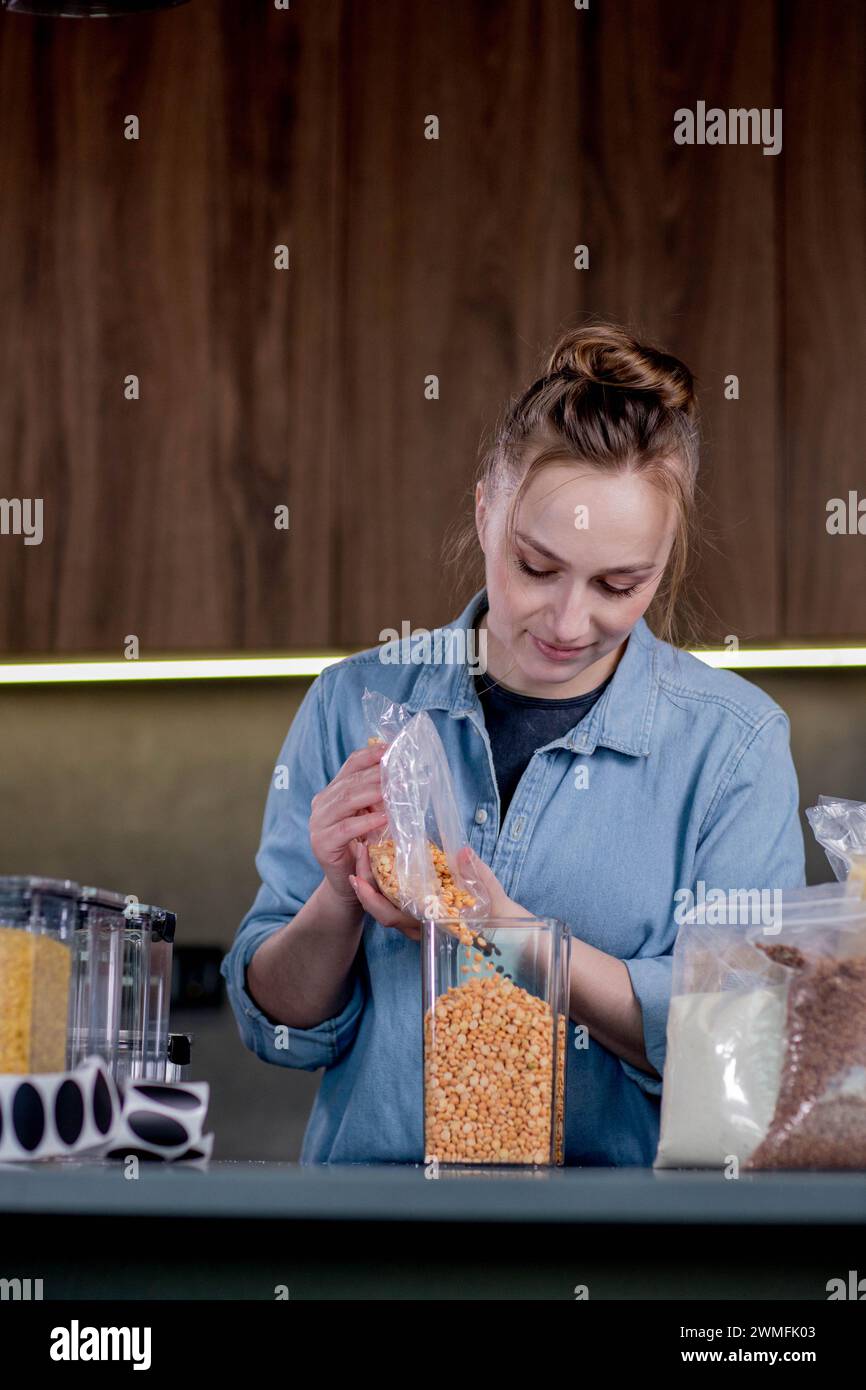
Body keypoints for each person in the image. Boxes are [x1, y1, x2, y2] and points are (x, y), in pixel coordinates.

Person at [220, 321, 806, 1164]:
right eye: (537, 567)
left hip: (619, 1249)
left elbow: (747, 1052)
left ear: (666, 558)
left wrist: (518, 940)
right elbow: (278, 1026)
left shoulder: (732, 746)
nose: (570, 622)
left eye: (619, 584)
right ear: (486, 510)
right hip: (371, 1243)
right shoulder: (352, 702)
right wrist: (338, 896)